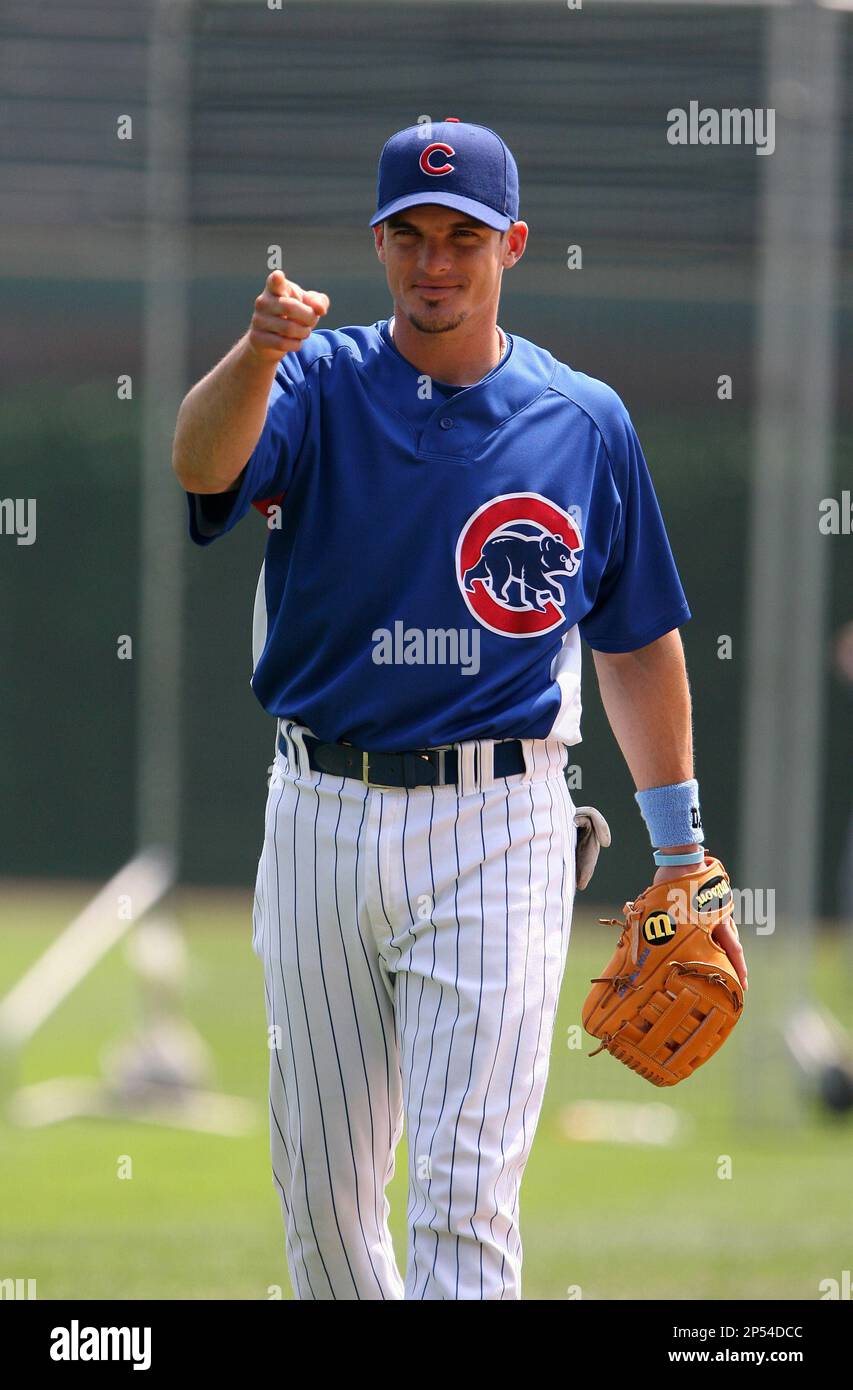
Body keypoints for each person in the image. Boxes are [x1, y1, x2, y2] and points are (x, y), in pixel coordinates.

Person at [172, 119, 747, 1300]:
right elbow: (200, 466)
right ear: (379, 242)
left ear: (513, 245)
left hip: (500, 821)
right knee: (322, 1196)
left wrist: (682, 847)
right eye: (412, 235)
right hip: (320, 807)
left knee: (463, 1188)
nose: (436, 261)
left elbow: (636, 643)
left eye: (463, 238)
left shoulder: (582, 419)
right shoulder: (316, 380)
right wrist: (256, 352)